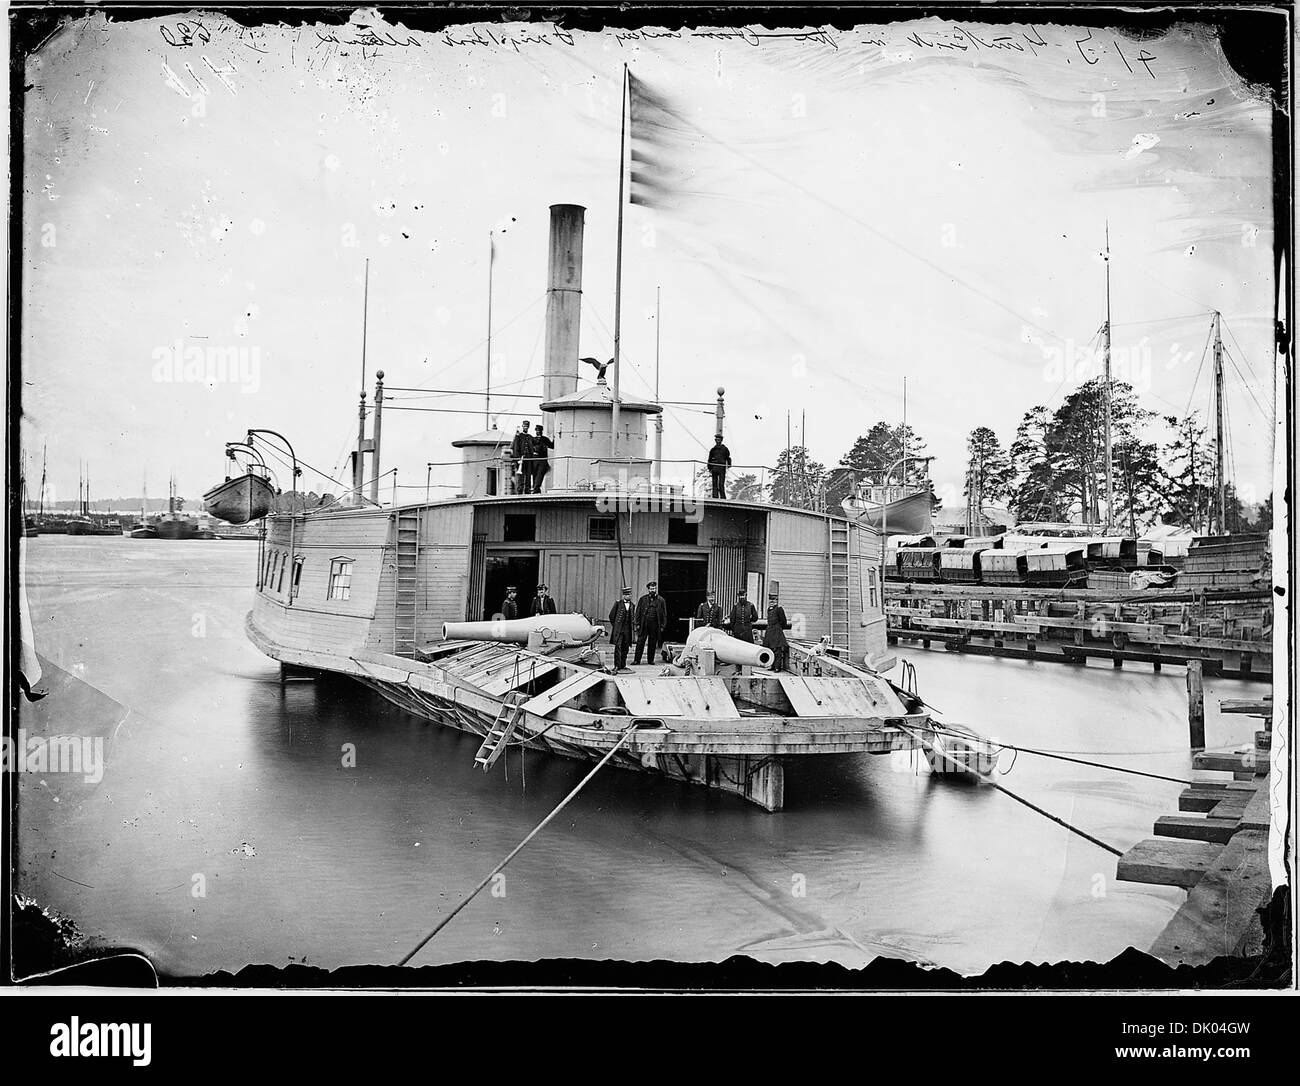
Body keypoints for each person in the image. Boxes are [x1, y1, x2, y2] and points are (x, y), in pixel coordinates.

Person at [633, 580, 668, 665]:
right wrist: (637, 624)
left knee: (652, 643)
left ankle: (650, 660)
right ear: (648, 589)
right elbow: (638, 612)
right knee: (640, 642)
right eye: (651, 588)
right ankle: (637, 660)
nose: (653, 590)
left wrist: (662, 626)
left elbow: (664, 614)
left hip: (655, 625)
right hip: (644, 624)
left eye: (654, 588)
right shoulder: (643, 599)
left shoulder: (661, 600)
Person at [607, 586, 635, 671]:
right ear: (623, 596)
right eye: (626, 595)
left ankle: (623, 665)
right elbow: (611, 616)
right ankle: (617, 665)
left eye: (629, 594)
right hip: (619, 630)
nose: (628, 596)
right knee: (618, 647)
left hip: (627, 630)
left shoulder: (632, 605)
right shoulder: (618, 603)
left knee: (625, 647)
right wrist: (616, 626)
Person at [763, 590, 790, 672]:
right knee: (771, 649)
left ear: (776, 601)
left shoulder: (779, 609)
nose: (771, 601)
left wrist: (778, 628)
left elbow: (783, 621)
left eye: (773, 600)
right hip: (770, 631)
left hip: (776, 631)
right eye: (770, 600)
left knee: (777, 650)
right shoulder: (769, 609)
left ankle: (777, 667)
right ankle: (772, 665)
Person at [530, 424, 554, 493]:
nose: (538, 432)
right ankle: (536, 489)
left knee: (540, 475)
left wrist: (555, 439)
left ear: (542, 431)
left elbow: (552, 446)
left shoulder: (544, 439)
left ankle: (536, 488)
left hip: (542, 461)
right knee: (535, 475)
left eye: (539, 430)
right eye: (537, 430)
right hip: (534, 460)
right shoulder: (533, 439)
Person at [510, 420, 533, 494]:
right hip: (521, 459)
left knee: (528, 475)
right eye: (524, 426)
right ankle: (519, 491)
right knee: (520, 476)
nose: (525, 427)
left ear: (528, 427)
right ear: (522, 426)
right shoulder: (519, 436)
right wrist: (518, 458)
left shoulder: (530, 437)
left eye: (527, 426)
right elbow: (515, 447)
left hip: (528, 459)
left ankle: (527, 490)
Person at [707, 435, 731, 499]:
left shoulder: (724, 449)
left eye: (719, 440)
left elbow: (728, 457)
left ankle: (722, 497)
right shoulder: (713, 450)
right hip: (714, 467)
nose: (717, 441)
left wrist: (729, 464)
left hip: (721, 467)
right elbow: (710, 459)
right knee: (714, 483)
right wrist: (709, 467)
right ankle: (715, 496)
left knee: (721, 483)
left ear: (721, 440)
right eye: (716, 440)